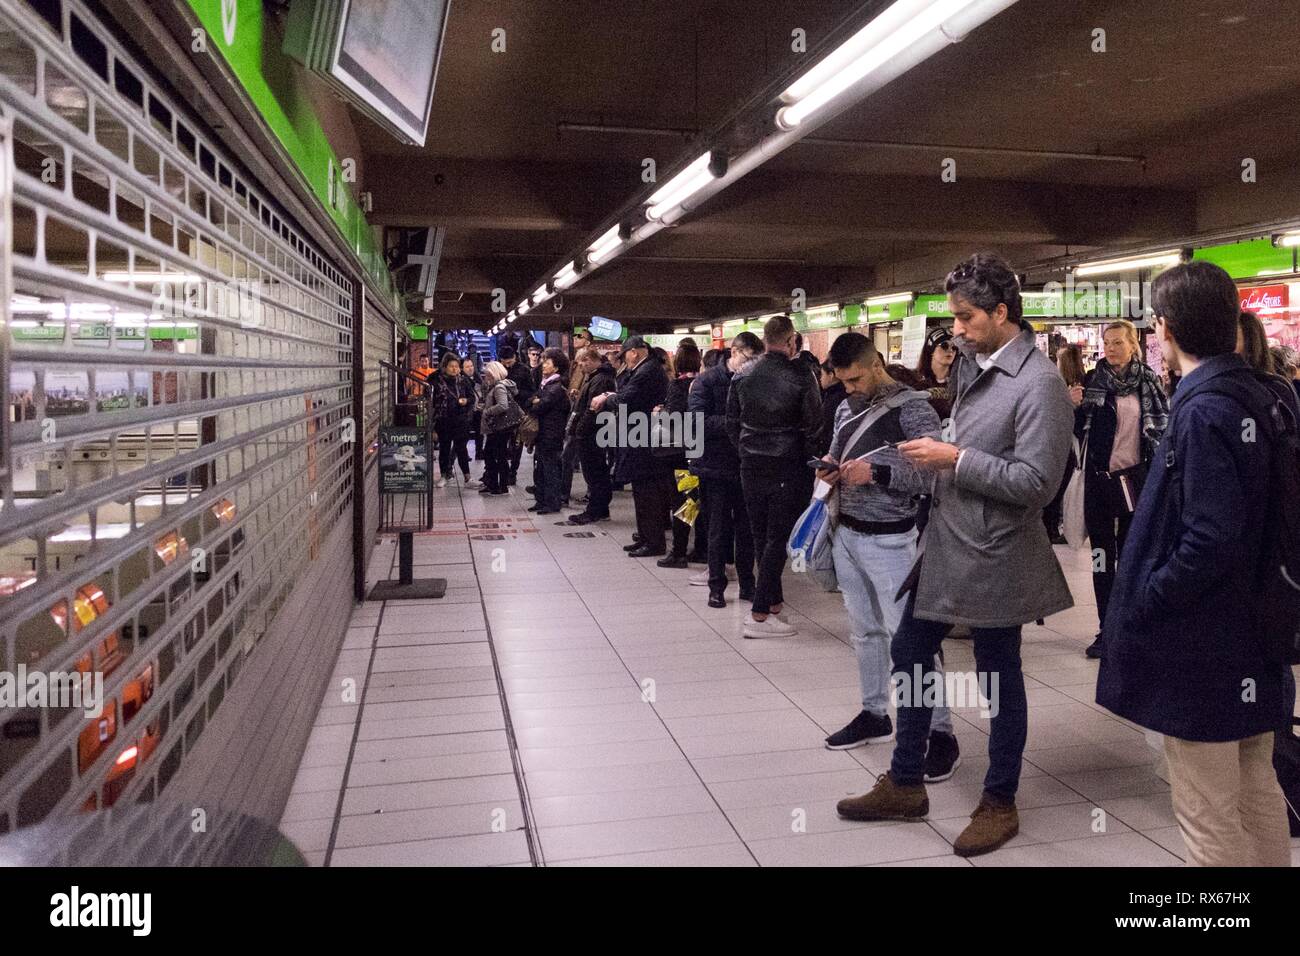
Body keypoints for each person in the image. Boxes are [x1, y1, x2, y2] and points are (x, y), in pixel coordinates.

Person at [835, 253, 1074, 859]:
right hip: (946, 545)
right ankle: (907, 782)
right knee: (910, 650)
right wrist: (883, 471)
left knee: (999, 675)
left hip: (995, 553)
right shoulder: (974, 367)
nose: (957, 331)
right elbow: (949, 460)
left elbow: (1037, 483)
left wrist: (956, 459)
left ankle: (999, 801)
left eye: (967, 318)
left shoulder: (1039, 383)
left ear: (1001, 312)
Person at [1097, 259, 1296, 867]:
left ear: (1164, 329)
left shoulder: (1201, 409)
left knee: (1207, 810)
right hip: (1261, 627)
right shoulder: (1268, 394)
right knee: (1257, 786)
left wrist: (1150, 595)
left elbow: (1210, 534)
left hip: (1203, 642)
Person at [817, 333, 960, 780]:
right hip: (846, 534)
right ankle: (875, 712)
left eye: (856, 379)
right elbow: (839, 455)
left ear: (876, 364)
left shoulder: (913, 409)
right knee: (865, 633)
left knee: (912, 641)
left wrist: (875, 472)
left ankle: (941, 733)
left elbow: (932, 473)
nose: (850, 389)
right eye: (841, 382)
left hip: (892, 541)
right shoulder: (844, 407)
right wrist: (828, 466)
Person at [1068, 320, 1169, 659]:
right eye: (1106, 343)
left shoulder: (1149, 383)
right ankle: (1105, 629)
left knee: (1131, 558)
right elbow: (1077, 433)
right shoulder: (1093, 383)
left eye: (1117, 343)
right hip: (1100, 482)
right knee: (1101, 559)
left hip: (1136, 481)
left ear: (1132, 345)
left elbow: (1160, 429)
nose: (1110, 349)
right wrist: (1072, 407)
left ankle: (1129, 626)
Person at [726, 314, 821, 639]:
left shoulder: (742, 374)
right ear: (792, 340)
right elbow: (814, 425)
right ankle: (760, 614)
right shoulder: (802, 374)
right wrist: (810, 460)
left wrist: (746, 450)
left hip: (750, 465)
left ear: (765, 339)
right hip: (788, 466)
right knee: (777, 538)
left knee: (760, 534)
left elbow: (731, 423)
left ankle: (775, 603)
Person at [690, 334, 757, 606]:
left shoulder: (754, 382)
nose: (752, 364)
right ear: (734, 352)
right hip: (714, 466)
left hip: (745, 466)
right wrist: (735, 423)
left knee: (746, 529)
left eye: (756, 359)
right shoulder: (706, 381)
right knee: (717, 529)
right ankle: (715, 586)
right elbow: (696, 420)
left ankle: (747, 584)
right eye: (749, 358)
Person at [590, 336, 670, 556]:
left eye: (625, 354)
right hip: (640, 436)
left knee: (647, 492)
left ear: (634, 352)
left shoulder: (647, 371)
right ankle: (645, 537)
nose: (624, 359)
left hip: (643, 439)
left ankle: (653, 542)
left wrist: (607, 398)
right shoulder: (647, 369)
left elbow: (626, 398)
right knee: (641, 491)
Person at [654, 340, 702, 568]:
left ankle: (679, 551)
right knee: (693, 499)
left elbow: (672, 419)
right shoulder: (702, 383)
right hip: (697, 450)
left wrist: (660, 411)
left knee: (680, 502)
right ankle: (700, 548)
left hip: (677, 453)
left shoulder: (677, 386)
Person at [1041, 343, 1086, 543]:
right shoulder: (1077, 384)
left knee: (1057, 491)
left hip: (1064, 447)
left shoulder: (1063, 387)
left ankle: (1052, 529)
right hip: (1068, 446)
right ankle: (1054, 528)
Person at [566, 348, 616, 525]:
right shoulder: (597, 377)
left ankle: (595, 510)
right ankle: (600, 509)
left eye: (583, 361)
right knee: (596, 472)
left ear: (592, 360)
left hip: (592, 433)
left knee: (595, 473)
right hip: (593, 432)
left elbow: (592, 409)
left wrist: (580, 430)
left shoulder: (600, 379)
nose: (580, 365)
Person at [433, 353, 473, 487]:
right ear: (444, 367)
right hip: (443, 421)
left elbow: (472, 398)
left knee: (461, 449)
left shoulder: (463, 381)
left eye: (457, 366)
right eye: (451, 366)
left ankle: (467, 477)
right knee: (444, 448)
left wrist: (466, 400)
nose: (455, 369)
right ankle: (444, 475)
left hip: (460, 420)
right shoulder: (436, 381)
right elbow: (431, 402)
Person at [478, 361, 518, 495]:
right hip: (500, 427)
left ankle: (497, 485)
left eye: (488, 375)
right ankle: (497, 484)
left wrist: (487, 411)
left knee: (492, 455)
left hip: (499, 428)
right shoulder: (497, 386)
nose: (486, 378)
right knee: (498, 455)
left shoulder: (499, 387)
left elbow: (503, 405)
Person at [499, 346, 535, 486]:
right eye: (505, 362)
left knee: (516, 444)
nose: (507, 365)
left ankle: (512, 472)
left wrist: (517, 392)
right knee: (501, 443)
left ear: (515, 357)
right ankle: (504, 471)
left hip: (519, 411)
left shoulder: (523, 370)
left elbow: (531, 391)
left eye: (509, 362)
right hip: (502, 412)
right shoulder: (499, 368)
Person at [914, 325, 957, 419]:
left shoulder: (960, 381)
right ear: (931, 349)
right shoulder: (916, 381)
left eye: (954, 347)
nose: (950, 350)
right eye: (944, 346)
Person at [815, 358, 847, 458]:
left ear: (831, 375)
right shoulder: (833, 393)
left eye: (822, 374)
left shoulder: (835, 398)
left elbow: (827, 425)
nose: (820, 378)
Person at [461, 355, 486, 462]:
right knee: (464, 436)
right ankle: (462, 455)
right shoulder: (461, 380)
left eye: (471, 366)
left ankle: (479, 453)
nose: (470, 368)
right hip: (467, 411)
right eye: (467, 367)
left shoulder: (477, 377)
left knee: (479, 433)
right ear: (462, 369)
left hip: (478, 410)